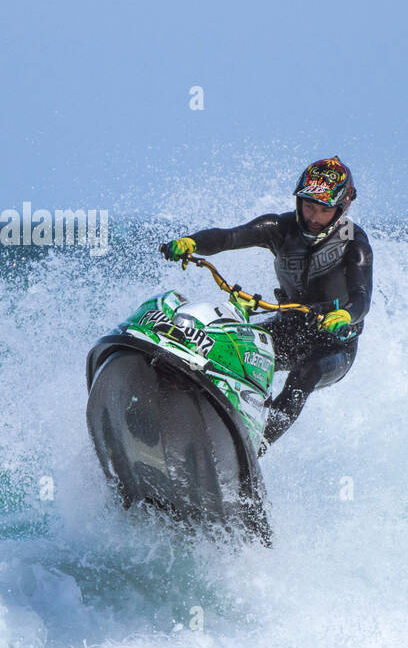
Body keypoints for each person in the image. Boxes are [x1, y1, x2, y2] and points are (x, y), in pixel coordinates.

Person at [159, 156, 372, 452]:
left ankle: (254, 448)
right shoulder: (280, 227)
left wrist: (344, 315)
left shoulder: (353, 241)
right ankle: (183, 403)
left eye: (324, 210)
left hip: (334, 345)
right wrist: (192, 243)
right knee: (230, 347)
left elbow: (362, 298)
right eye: (308, 205)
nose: (313, 215)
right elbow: (228, 237)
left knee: (304, 374)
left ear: (340, 209)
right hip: (291, 328)